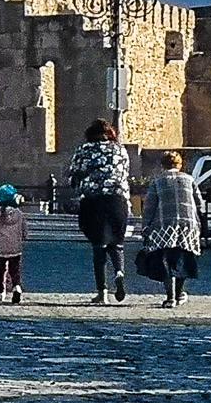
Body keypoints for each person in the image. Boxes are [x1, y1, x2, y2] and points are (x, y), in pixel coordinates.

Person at [65, 118, 134, 304]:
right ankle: (119, 272)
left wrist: (78, 183)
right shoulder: (120, 149)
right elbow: (125, 172)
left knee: (99, 246)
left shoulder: (85, 149)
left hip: (93, 201)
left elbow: (73, 174)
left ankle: (102, 292)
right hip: (118, 200)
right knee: (117, 243)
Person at [138, 150, 203, 308]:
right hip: (187, 226)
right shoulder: (189, 179)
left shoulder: (158, 181)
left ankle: (170, 297)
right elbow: (199, 203)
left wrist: (145, 226)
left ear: (163, 165)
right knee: (182, 260)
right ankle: (180, 294)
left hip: (164, 226)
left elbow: (149, 206)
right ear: (180, 164)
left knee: (166, 261)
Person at [0, 185, 28, 303]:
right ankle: (17, 287)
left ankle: (0, 293)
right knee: (15, 270)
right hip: (15, 247)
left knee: (1, 271)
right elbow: (24, 230)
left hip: (0, 247)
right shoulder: (19, 214)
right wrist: (22, 238)